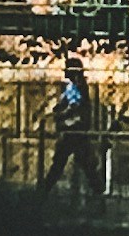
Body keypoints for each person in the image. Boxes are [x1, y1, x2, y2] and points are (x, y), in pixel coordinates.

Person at [42, 50, 103, 209]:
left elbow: (74, 107)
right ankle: (98, 193)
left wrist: (61, 115)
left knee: (67, 163)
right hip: (72, 130)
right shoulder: (72, 86)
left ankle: (44, 191)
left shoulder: (79, 86)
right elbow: (65, 104)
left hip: (75, 131)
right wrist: (58, 110)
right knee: (79, 164)